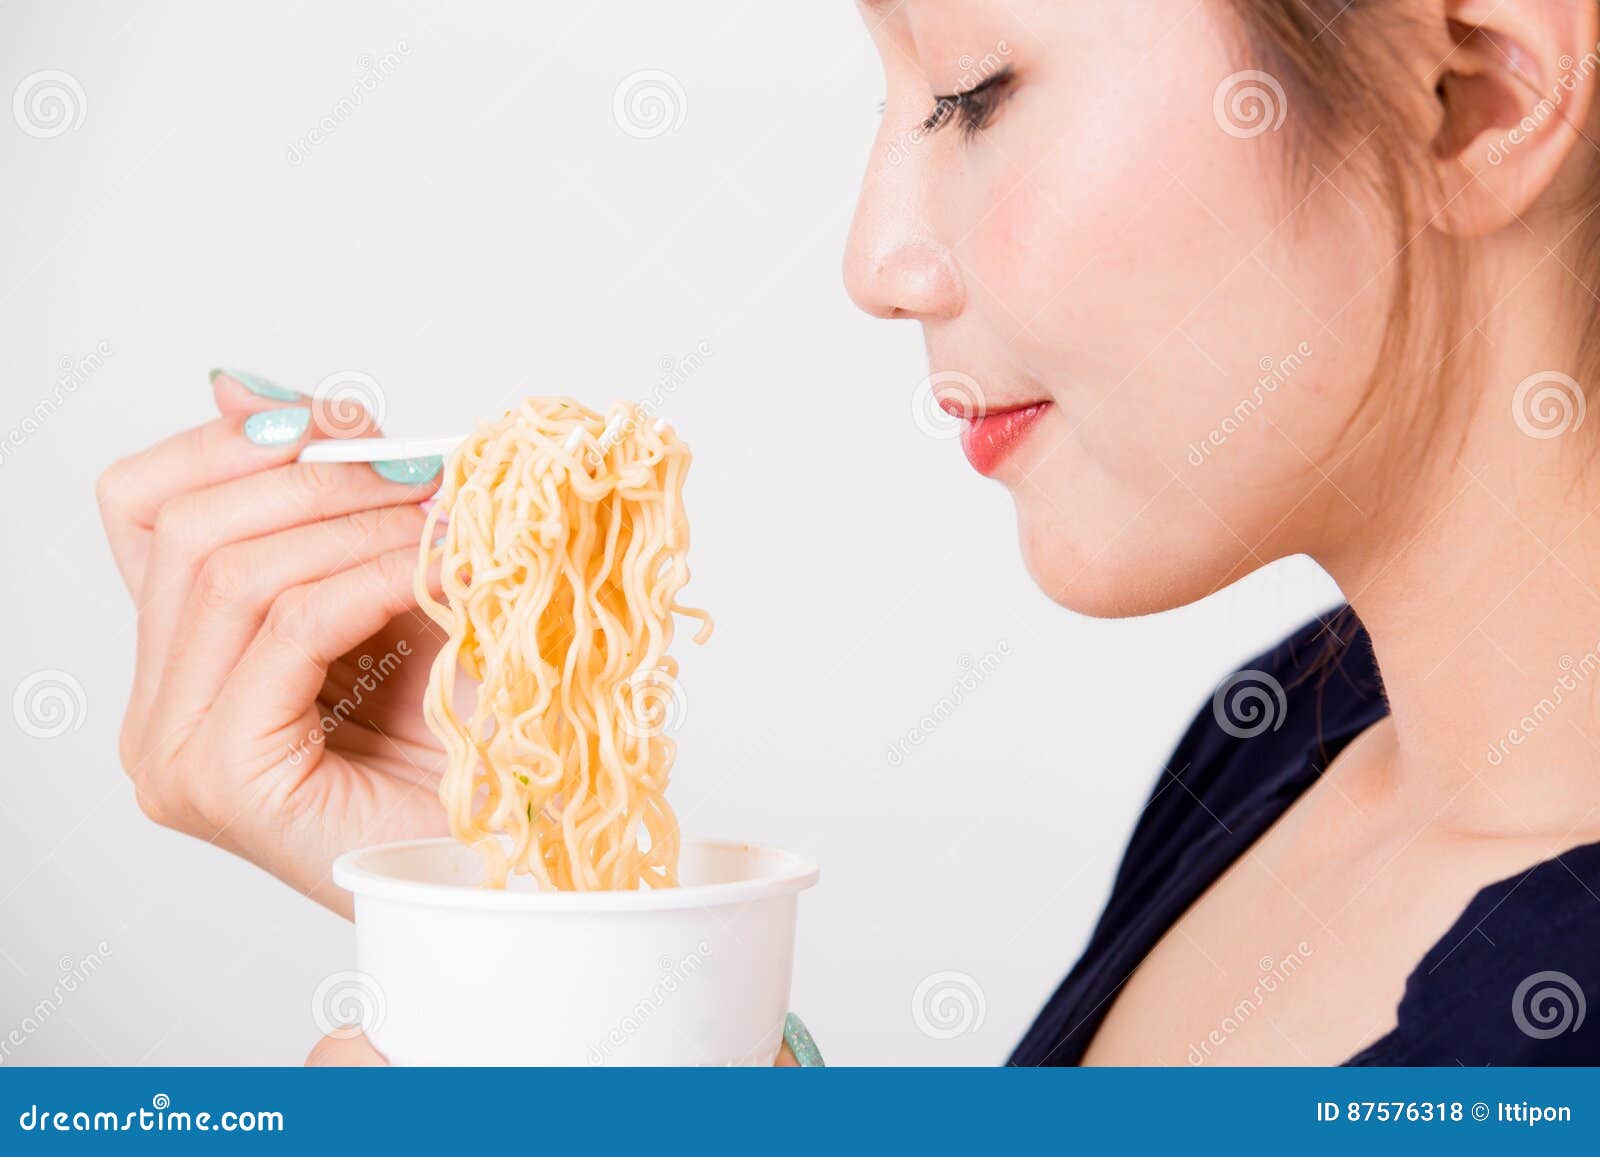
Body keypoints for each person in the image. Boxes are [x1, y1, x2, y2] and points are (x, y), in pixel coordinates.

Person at [99, 0, 1600, 1065]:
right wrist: (535, 908)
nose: (876, 262)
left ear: (1477, 91)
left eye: (973, 90)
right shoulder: (1288, 738)